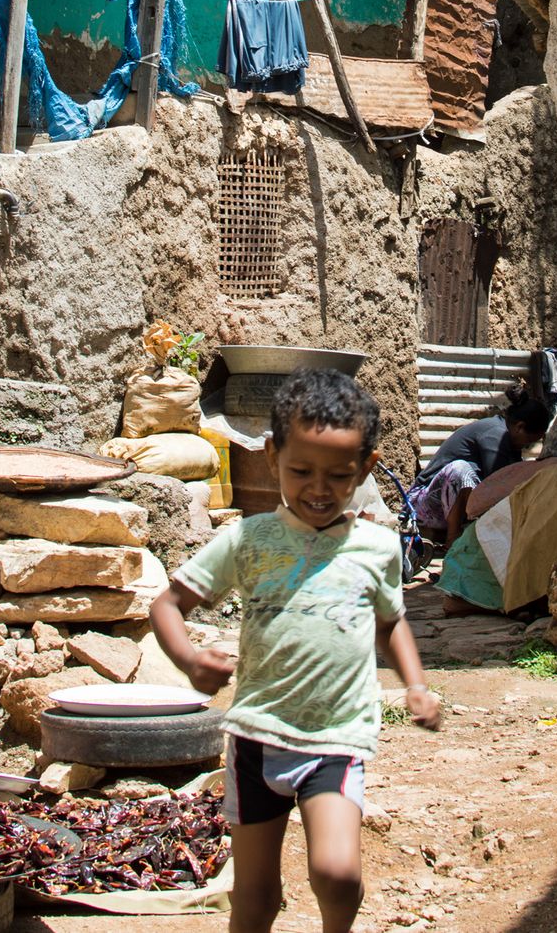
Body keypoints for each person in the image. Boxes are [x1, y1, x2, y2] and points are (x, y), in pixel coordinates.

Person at [150, 368, 440, 933]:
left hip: (336, 739)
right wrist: (189, 660)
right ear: (272, 457)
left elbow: (391, 623)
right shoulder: (248, 540)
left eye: (339, 475)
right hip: (257, 738)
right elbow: (167, 604)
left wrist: (416, 683)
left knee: (337, 874)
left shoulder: (377, 548)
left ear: (366, 468)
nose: (318, 488)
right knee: (254, 900)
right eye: (301, 470)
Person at [407, 384, 552, 548]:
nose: (528, 446)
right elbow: (497, 485)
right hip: (420, 507)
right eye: (530, 441)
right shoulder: (496, 434)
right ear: (519, 427)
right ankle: (452, 541)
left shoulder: (509, 442)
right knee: (461, 470)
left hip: (446, 510)